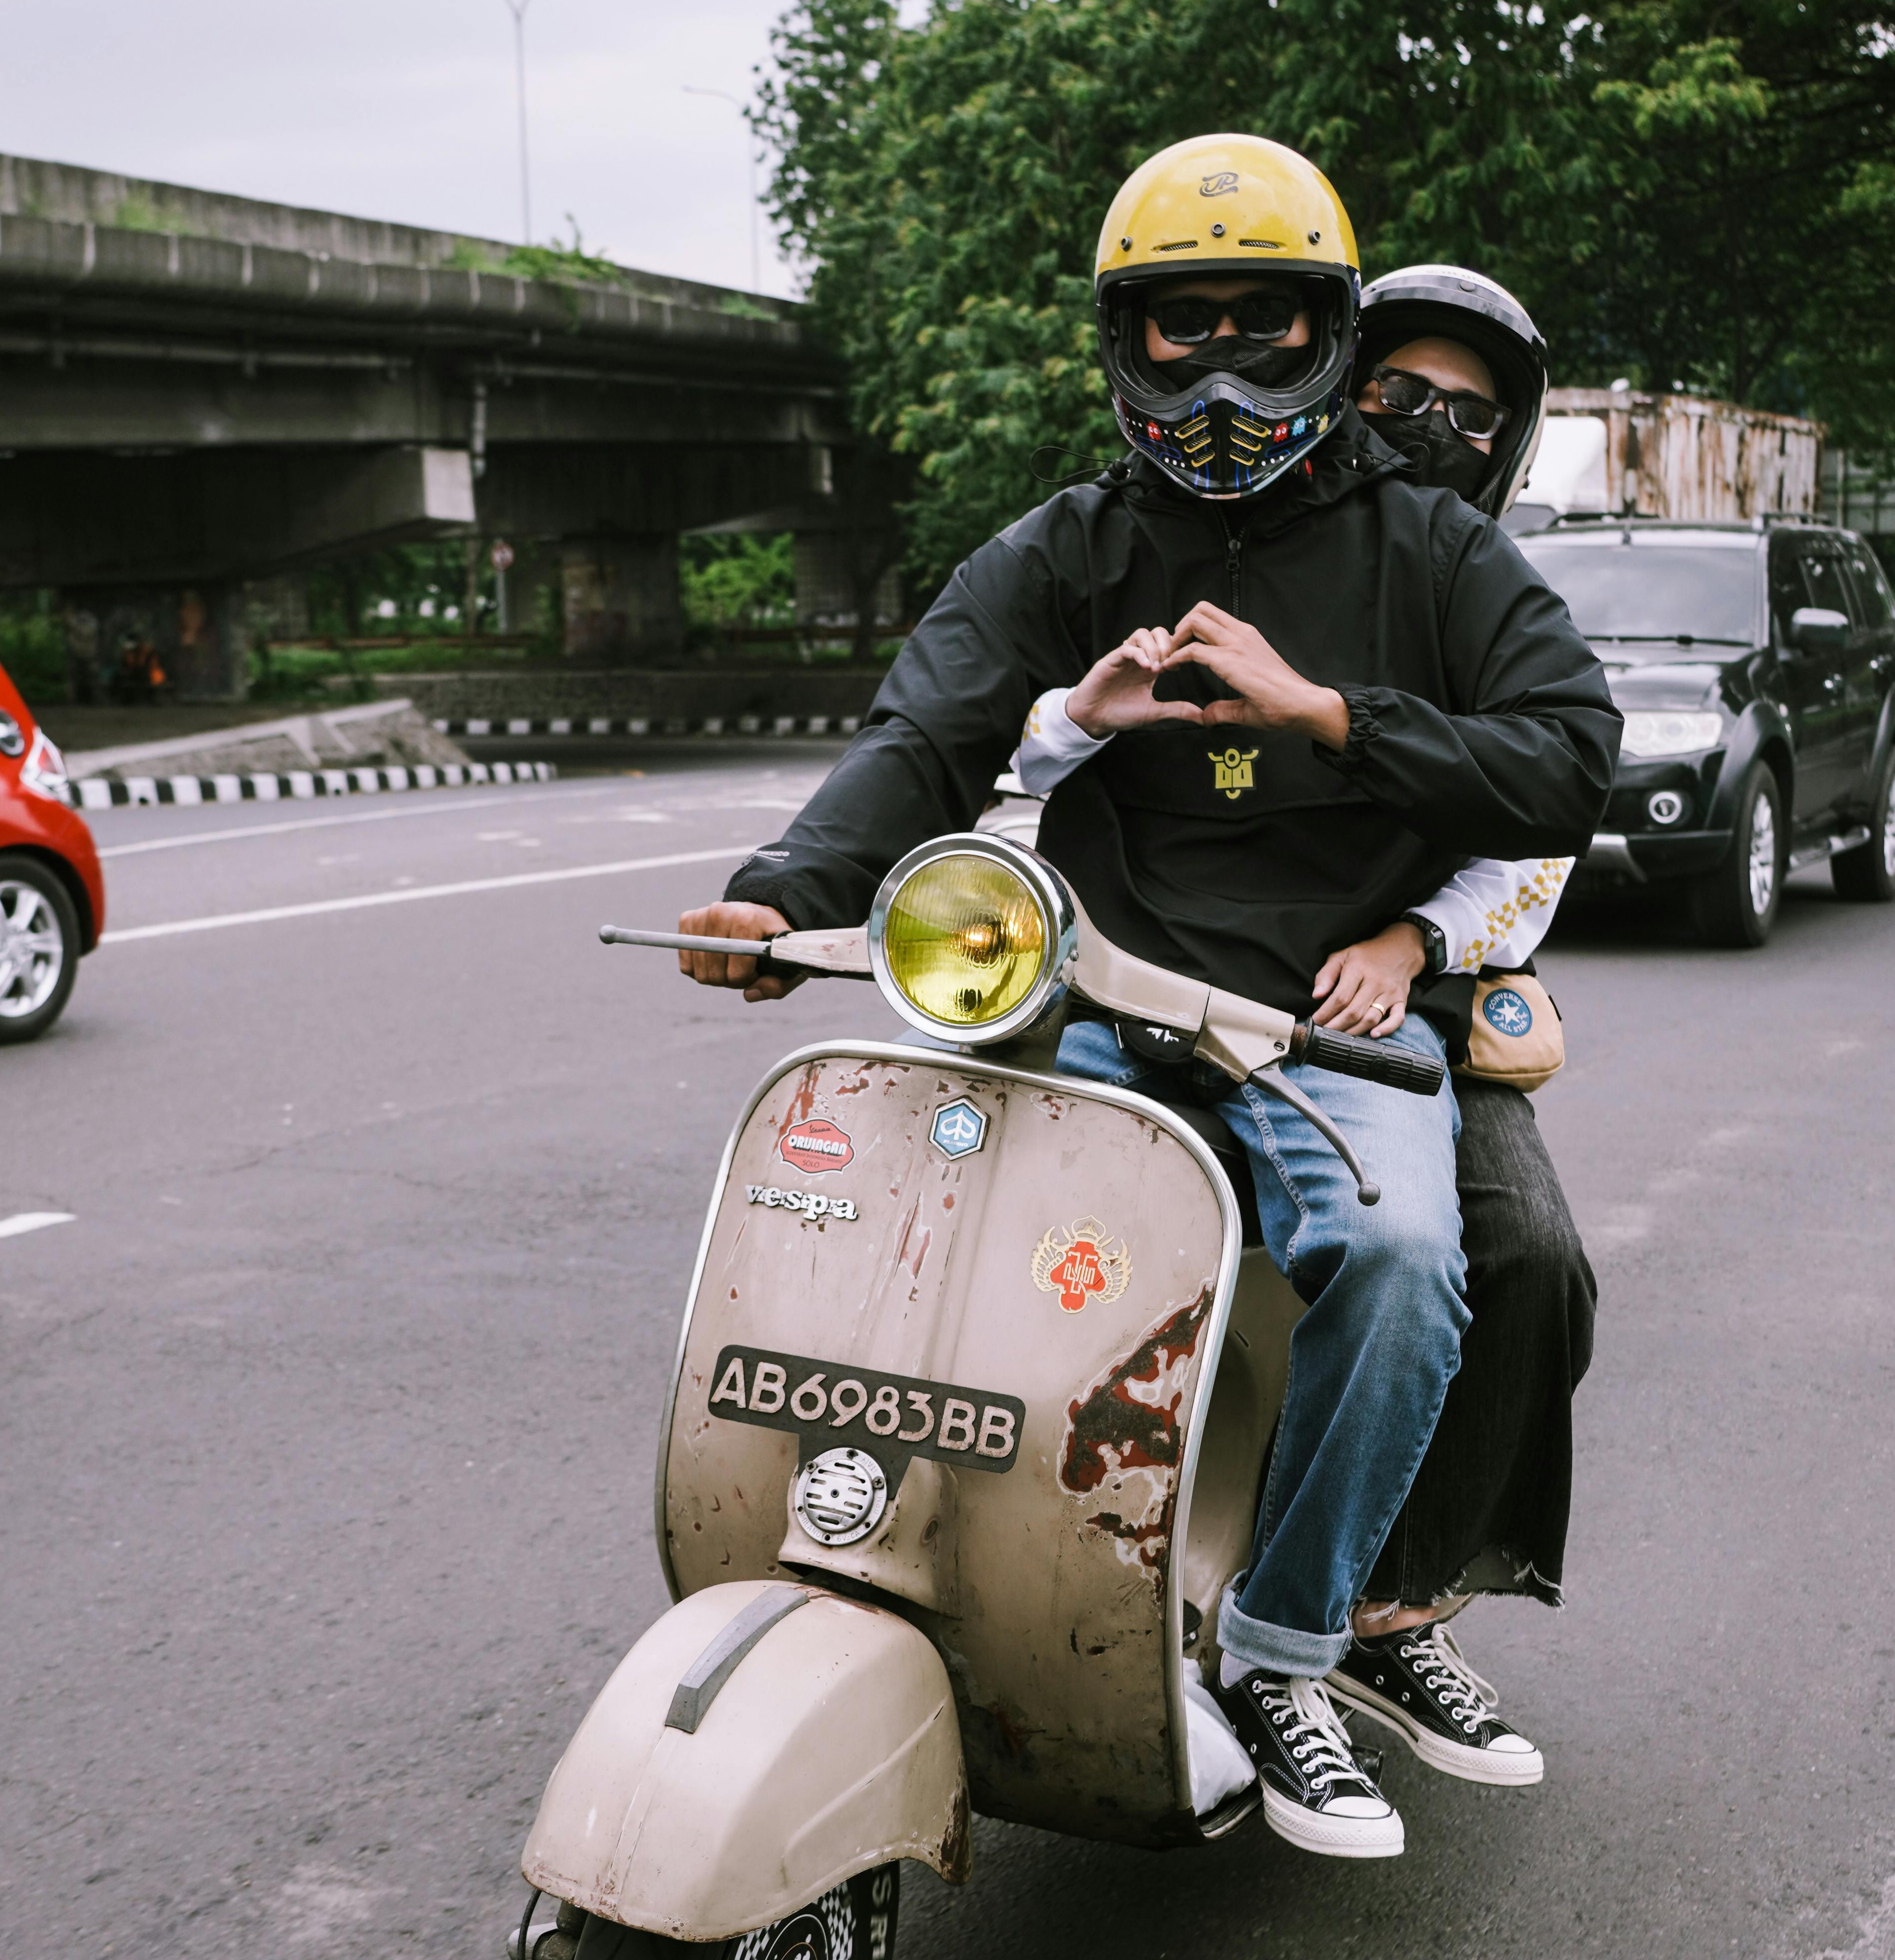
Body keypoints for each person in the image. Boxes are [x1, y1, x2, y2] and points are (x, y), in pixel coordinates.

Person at [678, 134, 1619, 1862]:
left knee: (1413, 1265)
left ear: (1327, 332)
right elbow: (925, 732)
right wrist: (782, 891)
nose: (1222, 371)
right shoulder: (1068, 548)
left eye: (1267, 325)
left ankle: (1287, 1647)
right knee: (931, 1235)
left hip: (1329, 1038)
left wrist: (1326, 715)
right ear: (1125, 338)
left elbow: (1570, 757)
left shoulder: (1434, 553)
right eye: (1183, 326)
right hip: (1102, 1004)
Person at [1009, 263, 1600, 1782]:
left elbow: (1540, 828)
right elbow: (1008, 741)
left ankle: (1388, 1601)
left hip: (1401, 997)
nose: (1428, 427)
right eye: (1399, 391)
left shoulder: (1476, 583)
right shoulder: (1165, 542)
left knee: (1517, 1258)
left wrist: (1409, 939)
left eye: (1470, 412)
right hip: (1168, 983)